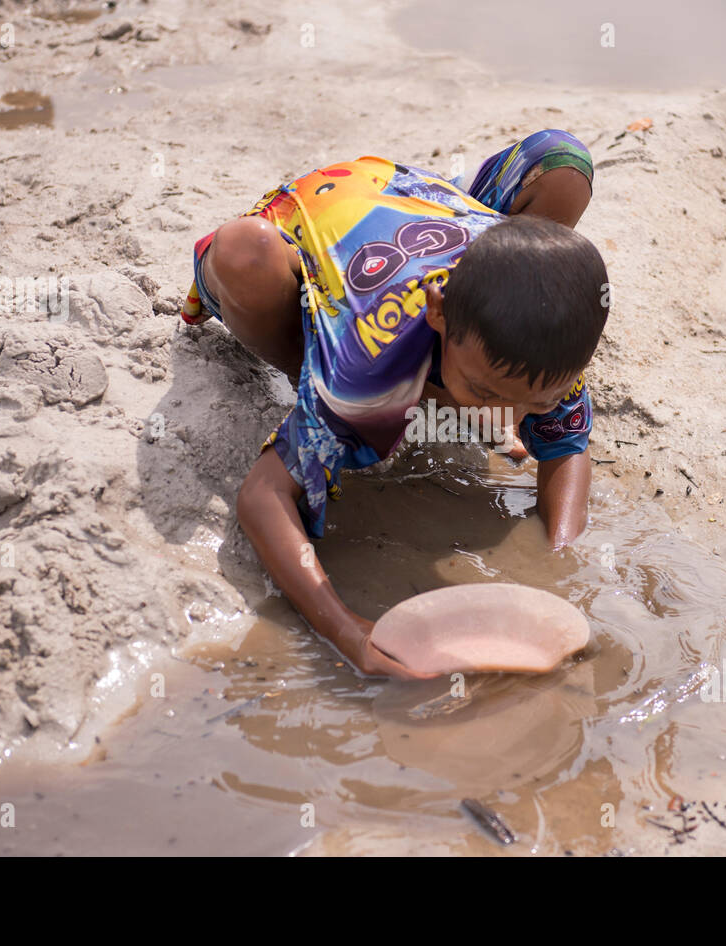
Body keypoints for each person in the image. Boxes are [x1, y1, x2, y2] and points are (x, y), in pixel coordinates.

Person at [181, 129, 608, 678]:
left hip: (417, 202)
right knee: (246, 250)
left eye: (534, 402)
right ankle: (313, 362)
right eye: (485, 394)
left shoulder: (541, 354)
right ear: (438, 313)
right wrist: (347, 632)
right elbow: (263, 498)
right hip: (307, 229)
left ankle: (464, 357)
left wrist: (559, 561)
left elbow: (568, 448)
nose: (507, 420)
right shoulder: (367, 367)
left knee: (564, 162)